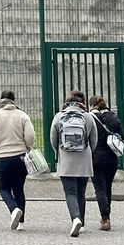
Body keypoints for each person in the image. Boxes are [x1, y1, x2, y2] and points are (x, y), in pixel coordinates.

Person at [0, 89, 36, 231]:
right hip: (21, 156)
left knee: (4, 188)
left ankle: (14, 210)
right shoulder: (22, 115)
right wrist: (27, 146)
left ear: (0, 100)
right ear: (14, 100)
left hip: (3, 157)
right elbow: (30, 136)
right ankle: (21, 223)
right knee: (19, 188)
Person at [49, 90, 98, 237]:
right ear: (82, 103)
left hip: (66, 160)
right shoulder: (88, 117)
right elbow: (94, 140)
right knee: (81, 192)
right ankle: (81, 222)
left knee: (70, 192)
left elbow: (53, 139)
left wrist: (59, 152)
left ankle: (75, 218)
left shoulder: (59, 116)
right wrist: (88, 153)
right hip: (84, 161)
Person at [89, 95, 124, 231]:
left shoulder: (90, 119)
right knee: (108, 186)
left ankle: (105, 218)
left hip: (95, 158)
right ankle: (107, 215)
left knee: (100, 189)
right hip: (112, 158)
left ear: (92, 105)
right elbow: (123, 136)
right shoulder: (113, 117)